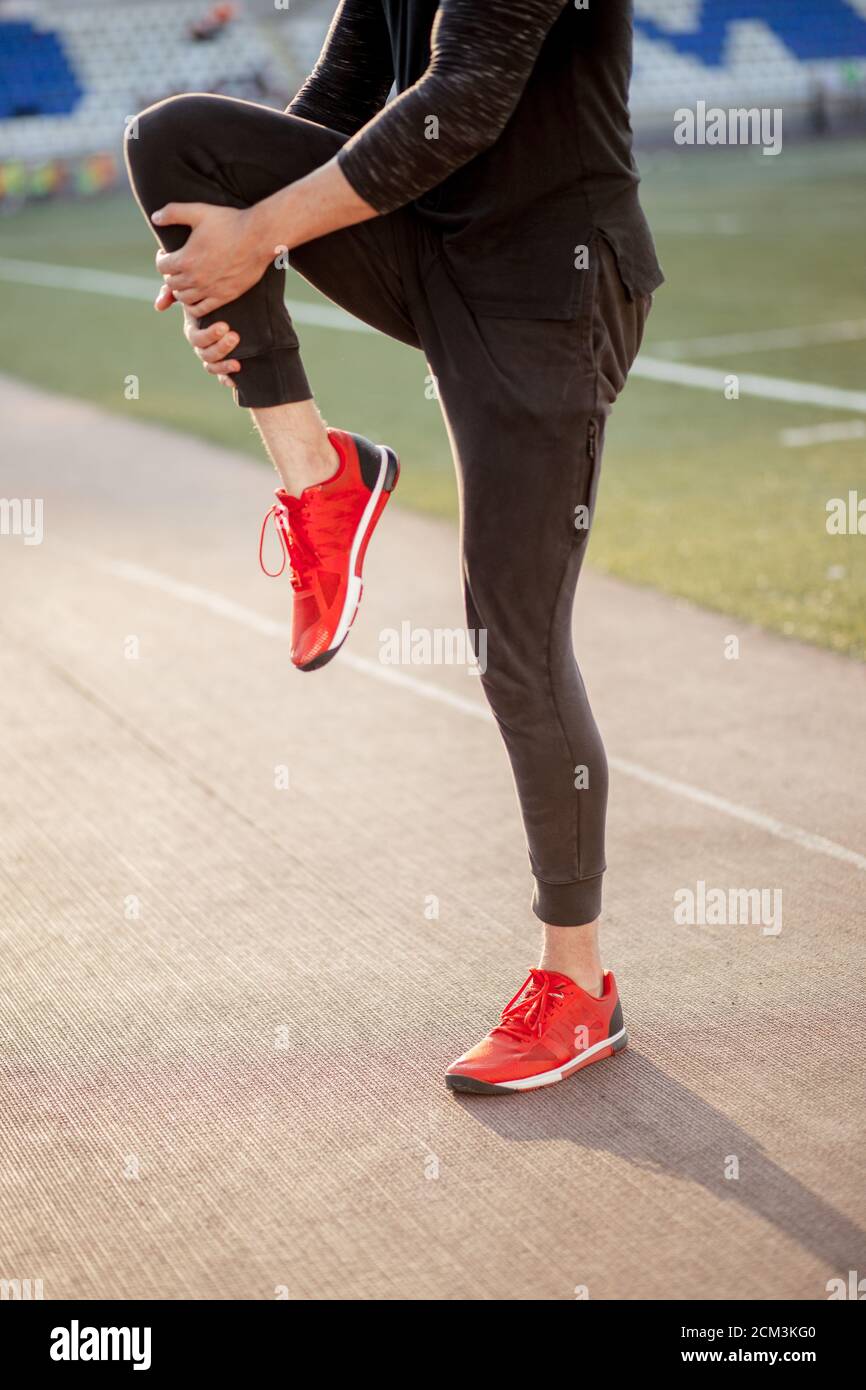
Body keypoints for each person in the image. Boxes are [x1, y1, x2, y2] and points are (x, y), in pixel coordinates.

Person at [125, 0, 663, 1094]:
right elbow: (331, 103)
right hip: (436, 239)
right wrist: (220, 267)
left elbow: (460, 100)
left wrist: (258, 239)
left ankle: (576, 987)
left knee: (511, 643)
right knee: (179, 142)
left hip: (550, 286)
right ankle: (319, 476)